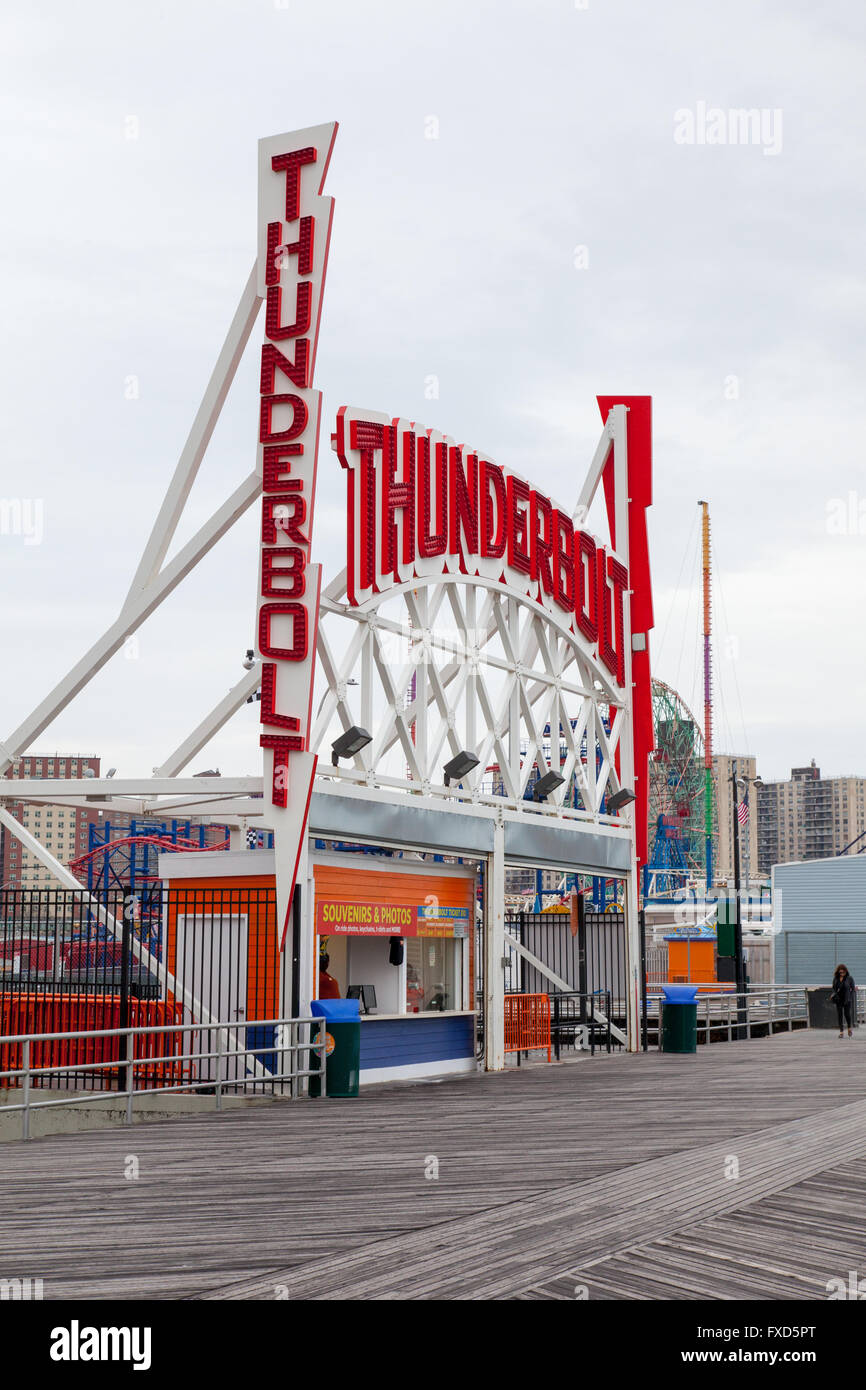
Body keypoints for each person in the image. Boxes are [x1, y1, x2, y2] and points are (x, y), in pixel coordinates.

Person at [831, 963, 856, 1038]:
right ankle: (841, 1032)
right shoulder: (835, 978)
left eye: (843, 972)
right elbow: (834, 988)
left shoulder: (849, 978)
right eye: (840, 972)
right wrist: (834, 994)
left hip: (846, 999)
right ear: (838, 972)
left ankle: (849, 1028)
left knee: (847, 1014)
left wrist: (850, 997)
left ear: (846, 971)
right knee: (840, 1015)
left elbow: (853, 989)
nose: (842, 974)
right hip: (838, 999)